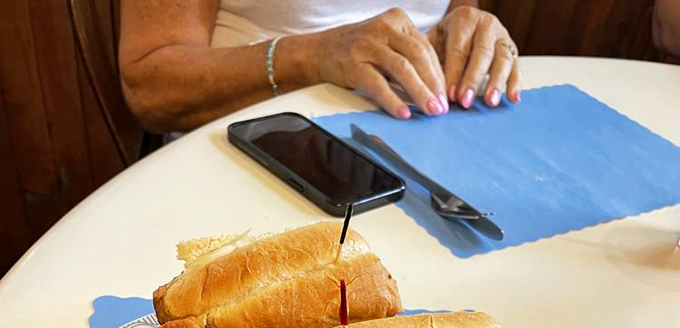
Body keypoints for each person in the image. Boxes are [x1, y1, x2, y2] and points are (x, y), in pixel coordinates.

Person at [119, 2, 520, 134]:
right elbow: (150, 86)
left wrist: (469, 28)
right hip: (262, 141)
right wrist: (311, 57)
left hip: (425, 135)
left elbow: (447, 12)